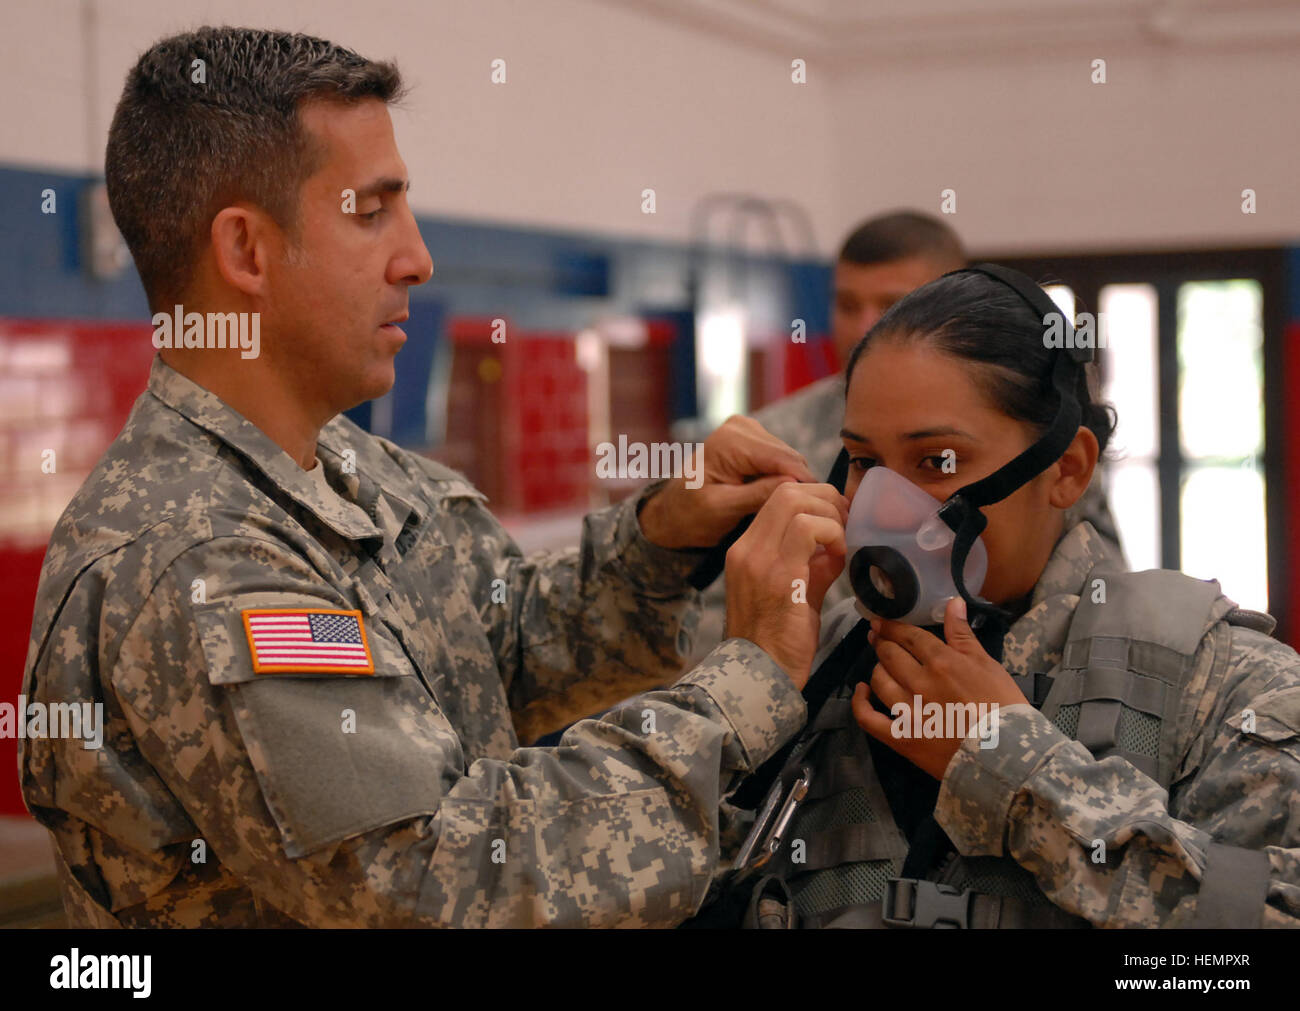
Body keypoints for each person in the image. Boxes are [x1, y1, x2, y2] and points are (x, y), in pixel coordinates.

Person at [18, 26, 851, 929]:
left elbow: (505, 643)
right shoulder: (198, 560)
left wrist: (661, 540)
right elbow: (436, 878)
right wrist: (745, 684)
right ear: (247, 252)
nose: (417, 257)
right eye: (371, 213)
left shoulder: (359, 471)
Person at [694, 265, 1300, 928]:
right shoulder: (810, 671)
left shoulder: (1223, 683)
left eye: (939, 463)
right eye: (865, 462)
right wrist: (743, 691)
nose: (885, 509)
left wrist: (1008, 767)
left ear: (1066, 469)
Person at [688, 213, 1126, 668]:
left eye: (937, 461)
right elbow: (717, 612)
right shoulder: (773, 440)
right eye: (862, 460)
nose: (864, 329)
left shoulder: (1039, 440)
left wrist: (1000, 722)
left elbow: (1098, 580)